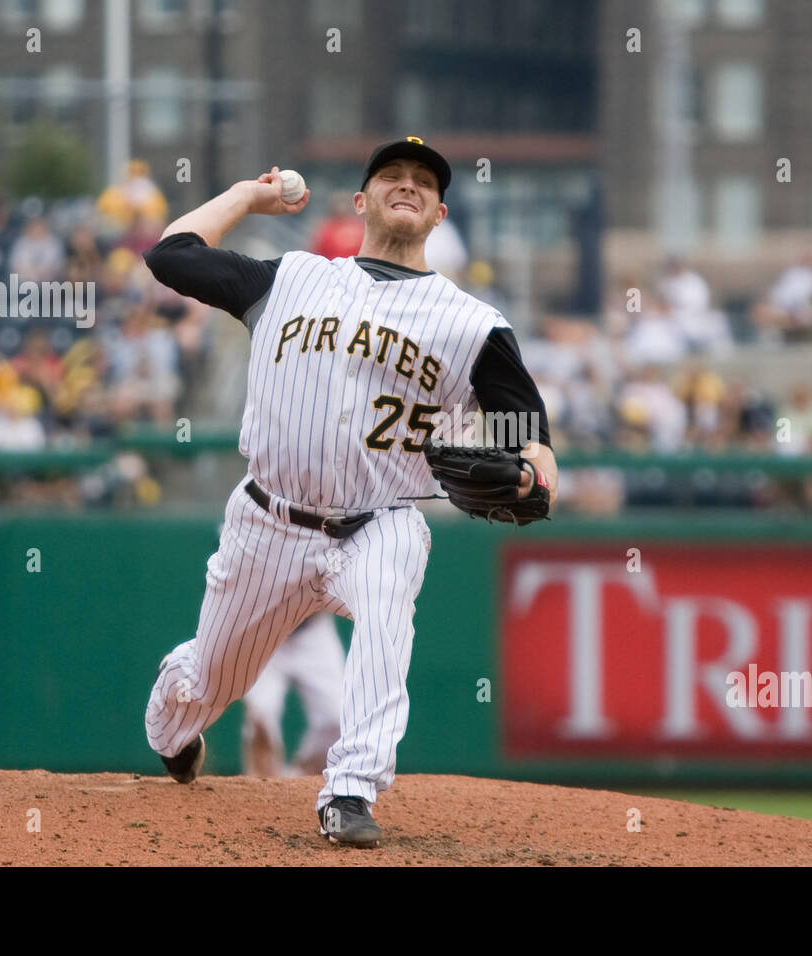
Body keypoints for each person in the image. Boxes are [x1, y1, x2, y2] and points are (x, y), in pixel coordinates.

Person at [141, 137, 557, 848]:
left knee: (389, 605)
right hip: (268, 524)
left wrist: (536, 478)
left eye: (423, 182)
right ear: (361, 201)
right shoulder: (291, 278)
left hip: (381, 520)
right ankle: (174, 727)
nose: (408, 184)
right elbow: (171, 256)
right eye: (391, 174)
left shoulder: (474, 325)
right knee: (205, 685)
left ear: (438, 213)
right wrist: (247, 194)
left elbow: (533, 437)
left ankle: (350, 791)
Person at [240, 613, 345, 778]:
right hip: (263, 633)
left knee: (336, 718)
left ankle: (305, 781)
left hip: (313, 631)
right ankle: (263, 786)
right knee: (261, 718)